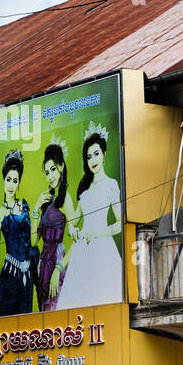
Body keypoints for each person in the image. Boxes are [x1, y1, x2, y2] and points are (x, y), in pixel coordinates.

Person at [54, 126, 122, 310]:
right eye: (89, 156)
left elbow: (120, 224)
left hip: (103, 249)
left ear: (104, 153)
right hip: (82, 249)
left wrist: (98, 233)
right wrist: (73, 229)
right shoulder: (84, 189)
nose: (93, 160)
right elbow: (73, 220)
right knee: (78, 303)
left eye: (96, 153)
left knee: (104, 299)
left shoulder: (111, 185)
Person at [0, 150, 37, 316]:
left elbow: (32, 241)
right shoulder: (0, 215)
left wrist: (37, 212)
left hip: (27, 273)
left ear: (19, 184)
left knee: (27, 325)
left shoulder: (25, 206)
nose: (11, 185)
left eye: (15, 181)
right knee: (9, 326)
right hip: (9, 276)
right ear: (4, 181)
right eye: (8, 180)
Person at [33, 140, 75, 311]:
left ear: (62, 167)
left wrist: (59, 268)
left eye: (53, 170)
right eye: (47, 172)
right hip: (42, 265)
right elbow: (33, 241)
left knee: (55, 312)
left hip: (57, 261)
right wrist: (36, 208)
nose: (50, 176)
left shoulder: (66, 200)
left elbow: (76, 241)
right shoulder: (45, 199)